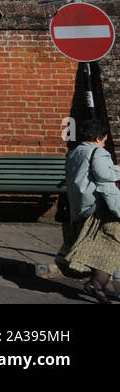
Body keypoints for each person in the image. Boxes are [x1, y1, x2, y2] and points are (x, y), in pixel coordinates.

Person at [64, 119, 120, 303]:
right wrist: (118, 171)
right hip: (98, 205)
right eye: (104, 140)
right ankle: (96, 283)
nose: (104, 143)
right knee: (113, 242)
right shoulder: (99, 152)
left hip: (80, 205)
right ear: (98, 138)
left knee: (100, 243)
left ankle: (108, 286)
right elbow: (103, 174)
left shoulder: (74, 153)